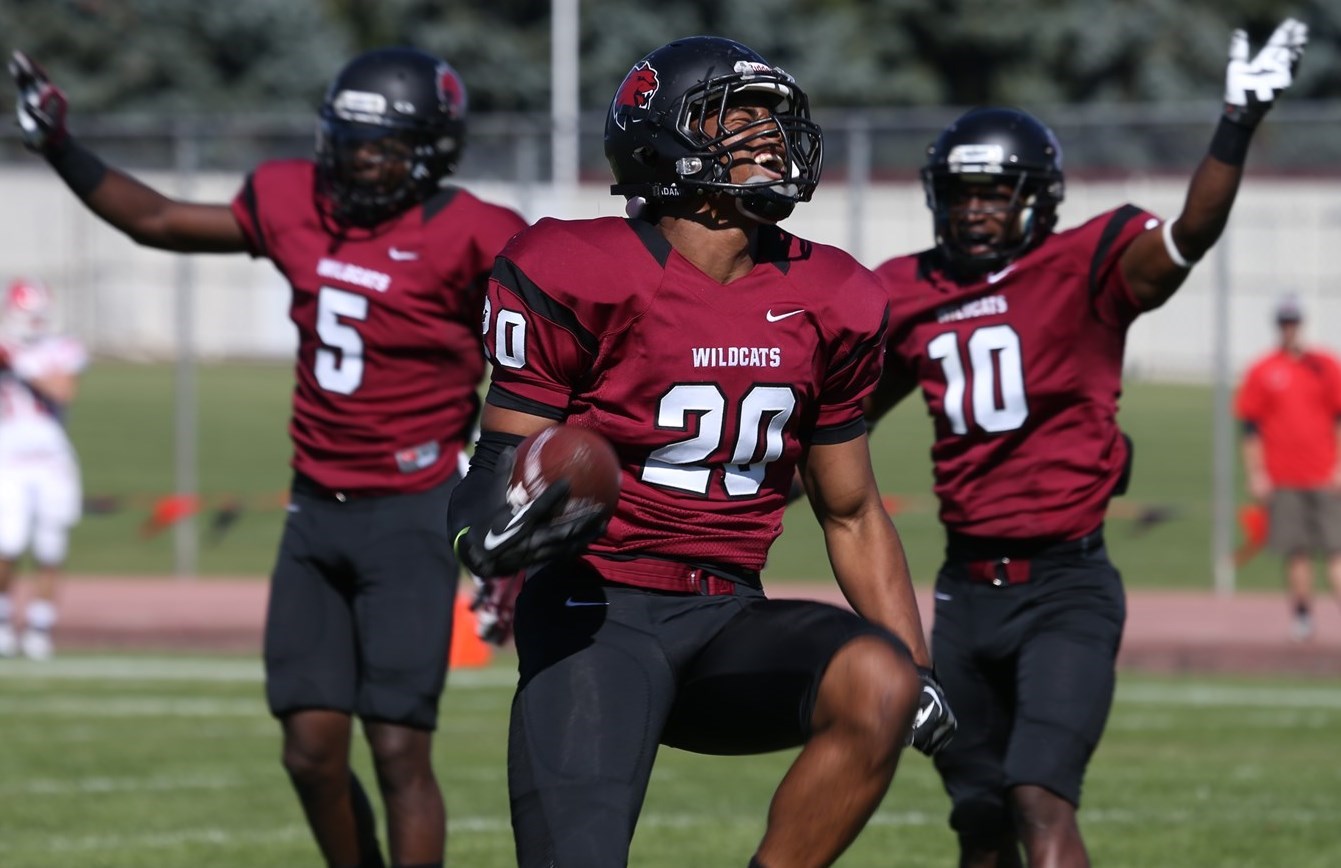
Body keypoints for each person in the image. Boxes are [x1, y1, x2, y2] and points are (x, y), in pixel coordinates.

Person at [10, 46, 527, 868]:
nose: (358, 161)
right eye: (348, 140)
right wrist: (59, 146)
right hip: (313, 510)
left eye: (381, 147)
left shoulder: (475, 232)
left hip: (412, 511)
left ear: (430, 151)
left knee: (399, 748)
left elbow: (557, 336)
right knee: (308, 752)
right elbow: (160, 220)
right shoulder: (296, 198)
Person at [446, 36, 956, 868]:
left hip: (727, 615)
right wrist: (485, 540)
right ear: (657, 138)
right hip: (594, 614)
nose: (769, 139)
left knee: (882, 680)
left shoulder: (834, 294)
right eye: (735, 118)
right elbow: (498, 463)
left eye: (773, 121)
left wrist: (919, 662)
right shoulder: (575, 268)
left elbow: (852, 510)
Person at [865, 18, 1307, 868]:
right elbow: (846, 425)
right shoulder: (909, 291)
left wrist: (1235, 123)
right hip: (963, 591)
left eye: (994, 193)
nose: (975, 210)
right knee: (978, 821)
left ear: (1035, 197)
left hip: (1064, 587)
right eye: (960, 193)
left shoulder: (1086, 265)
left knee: (1039, 798)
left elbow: (1188, 235)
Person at [1235, 294, 1341, 642]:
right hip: (1283, 476)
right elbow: (1250, 427)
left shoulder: (1325, 365)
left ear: (1302, 324)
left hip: (1324, 474)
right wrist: (1257, 472)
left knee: (1336, 550)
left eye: (1293, 321)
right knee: (1297, 552)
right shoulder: (1263, 369)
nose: (1289, 328)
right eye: (1284, 322)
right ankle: (1303, 617)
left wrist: (1339, 466)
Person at [0, 278, 88, 661]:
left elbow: (64, 390)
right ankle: (3, 620)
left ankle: (40, 624)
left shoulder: (59, 347)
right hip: (7, 460)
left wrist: (22, 363)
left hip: (51, 460)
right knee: (7, 544)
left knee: (51, 546)